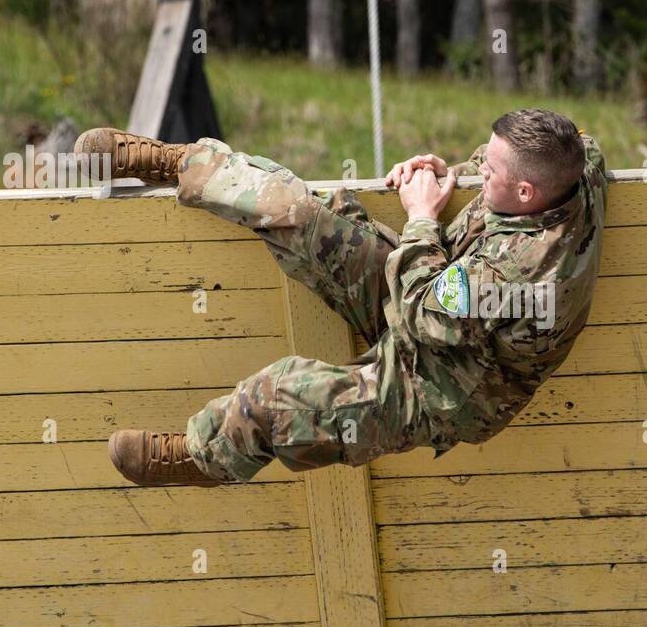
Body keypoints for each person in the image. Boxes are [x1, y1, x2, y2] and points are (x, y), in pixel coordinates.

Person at [73, 108, 607, 486]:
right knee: (302, 217)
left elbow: (423, 315)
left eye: (491, 171)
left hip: (452, 381)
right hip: (438, 295)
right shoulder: (575, 163)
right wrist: (458, 172)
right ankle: (178, 163)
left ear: (525, 196)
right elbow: (580, 141)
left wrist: (421, 215)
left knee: (273, 398)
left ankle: (199, 456)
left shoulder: (524, 274)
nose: (481, 169)